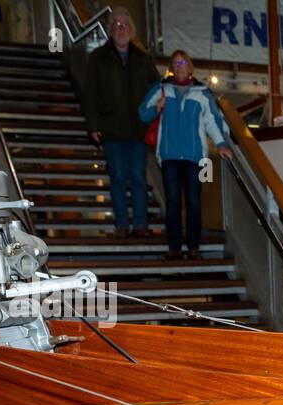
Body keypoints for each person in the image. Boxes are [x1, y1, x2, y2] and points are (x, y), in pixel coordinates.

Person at [139, 50, 232, 260]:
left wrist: (221, 144)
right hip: (169, 157)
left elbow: (212, 122)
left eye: (183, 63)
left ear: (190, 68)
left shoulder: (202, 94)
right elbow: (143, 113)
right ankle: (173, 248)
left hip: (195, 158)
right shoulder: (162, 90)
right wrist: (157, 107)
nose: (179, 66)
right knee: (172, 203)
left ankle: (193, 247)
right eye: (175, 63)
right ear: (171, 69)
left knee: (194, 202)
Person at [83, 8, 159, 238]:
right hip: (110, 128)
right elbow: (90, 94)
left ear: (132, 30)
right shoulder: (97, 58)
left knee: (137, 177)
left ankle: (141, 225)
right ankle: (122, 225)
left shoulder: (143, 60)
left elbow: (156, 89)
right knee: (117, 178)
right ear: (110, 30)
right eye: (116, 25)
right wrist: (93, 124)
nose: (120, 29)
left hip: (137, 130)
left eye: (124, 25)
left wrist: (157, 108)